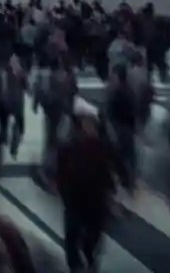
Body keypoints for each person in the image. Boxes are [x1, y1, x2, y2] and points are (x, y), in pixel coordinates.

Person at [57, 99, 118, 273]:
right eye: (86, 122)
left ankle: (89, 255)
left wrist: (114, 187)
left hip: (96, 198)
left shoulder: (102, 146)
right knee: (72, 234)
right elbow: (61, 169)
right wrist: (62, 189)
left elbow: (111, 166)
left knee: (93, 234)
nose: (90, 126)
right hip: (74, 197)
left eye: (92, 123)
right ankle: (75, 265)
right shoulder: (69, 146)